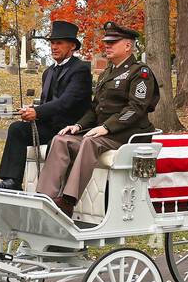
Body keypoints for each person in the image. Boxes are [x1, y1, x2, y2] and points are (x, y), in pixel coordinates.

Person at [35, 22, 159, 216]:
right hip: (104, 133)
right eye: (106, 42)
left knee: (89, 142)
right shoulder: (107, 73)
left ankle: (68, 201)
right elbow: (95, 109)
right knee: (61, 140)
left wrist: (108, 127)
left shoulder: (140, 72)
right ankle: (45, 198)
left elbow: (136, 108)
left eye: (113, 42)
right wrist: (78, 125)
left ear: (128, 45)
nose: (107, 45)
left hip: (127, 134)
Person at [0, 21, 91, 191]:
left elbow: (67, 102)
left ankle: (51, 191)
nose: (54, 47)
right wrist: (31, 110)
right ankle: (12, 181)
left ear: (72, 46)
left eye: (59, 43)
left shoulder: (80, 70)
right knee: (17, 129)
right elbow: (46, 102)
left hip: (71, 129)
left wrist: (38, 112)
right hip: (49, 126)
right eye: (52, 43)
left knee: (54, 145)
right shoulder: (48, 72)